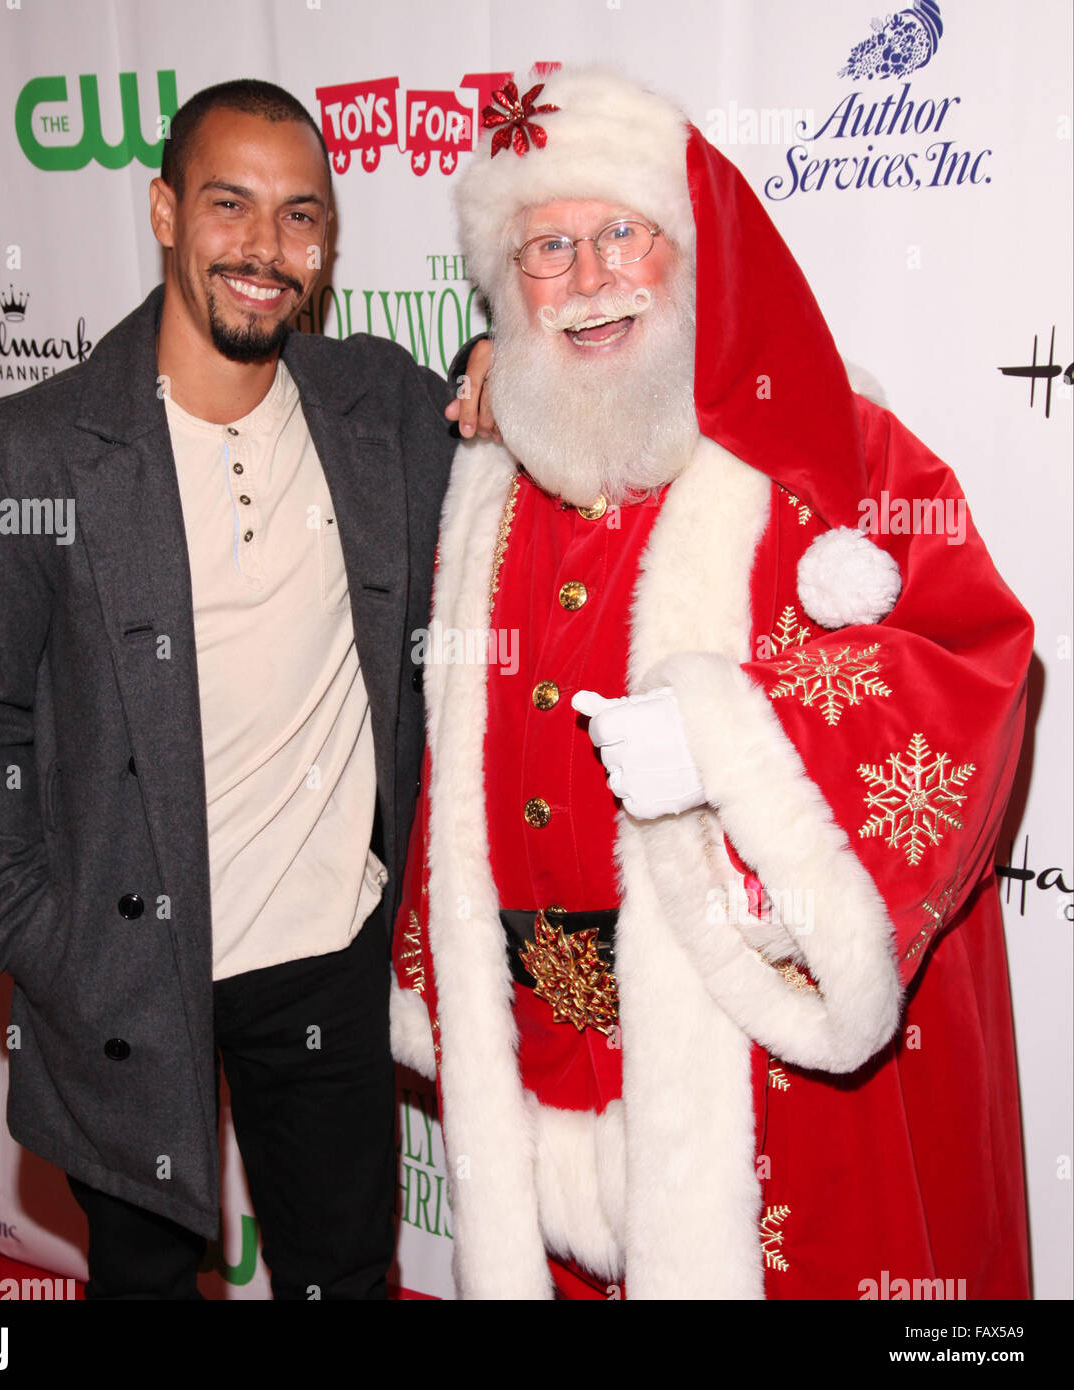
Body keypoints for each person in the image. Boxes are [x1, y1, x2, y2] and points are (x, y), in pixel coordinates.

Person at [390, 67, 1033, 1300]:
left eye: (620, 232)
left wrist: (735, 754)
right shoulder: (488, 478)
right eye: (547, 247)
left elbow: (972, 663)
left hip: (762, 1083)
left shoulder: (829, 450)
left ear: (688, 253)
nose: (587, 278)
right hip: (552, 1071)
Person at [0, 78, 490, 1301]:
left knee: (340, 1273)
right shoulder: (32, 451)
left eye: (299, 216)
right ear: (166, 210)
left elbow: (511, 415)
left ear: (327, 243)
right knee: (142, 1280)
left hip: (327, 948)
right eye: (230, 205)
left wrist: (498, 353)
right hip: (123, 963)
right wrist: (32, 931)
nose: (265, 249)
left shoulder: (375, 407)